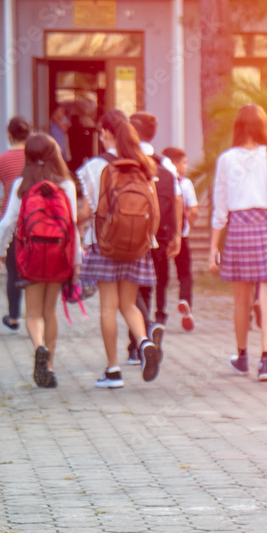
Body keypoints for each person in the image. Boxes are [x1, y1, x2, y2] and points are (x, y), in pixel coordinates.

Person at [76, 110, 161, 388]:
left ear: (108, 133)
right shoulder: (144, 165)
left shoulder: (95, 166)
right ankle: (145, 342)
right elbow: (156, 212)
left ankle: (113, 370)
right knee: (129, 304)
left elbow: (90, 211)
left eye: (102, 130)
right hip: (137, 245)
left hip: (105, 244)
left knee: (108, 307)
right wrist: (147, 239)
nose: (100, 135)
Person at [210, 104, 267, 382]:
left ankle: (242, 356)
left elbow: (220, 206)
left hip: (238, 230)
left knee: (240, 301)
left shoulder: (226, 158)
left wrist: (213, 249)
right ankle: (265, 362)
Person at [0, 134, 82, 389]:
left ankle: (39, 347)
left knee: (32, 314)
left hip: (31, 256)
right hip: (58, 257)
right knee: (50, 311)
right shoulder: (66, 185)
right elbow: (72, 227)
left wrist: (1, 251)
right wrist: (76, 261)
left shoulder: (22, 184)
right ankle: (51, 366)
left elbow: (8, 222)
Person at [124, 112, 181, 364]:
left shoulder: (124, 161)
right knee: (151, 284)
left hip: (129, 234)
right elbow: (177, 199)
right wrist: (177, 233)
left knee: (130, 289)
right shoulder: (165, 163)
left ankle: (138, 342)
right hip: (160, 234)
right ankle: (148, 330)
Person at [0, 115, 29, 333]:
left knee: (13, 272)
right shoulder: (37, 158)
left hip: (11, 226)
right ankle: (38, 315)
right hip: (37, 223)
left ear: (8, 135)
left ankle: (14, 317)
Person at [162, 147, 199, 332]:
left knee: (161, 276)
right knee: (184, 273)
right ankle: (185, 302)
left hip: (161, 236)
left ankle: (159, 313)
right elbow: (194, 209)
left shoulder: (159, 180)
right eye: (184, 162)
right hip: (181, 236)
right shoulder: (185, 184)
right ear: (175, 163)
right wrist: (188, 226)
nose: (186, 166)